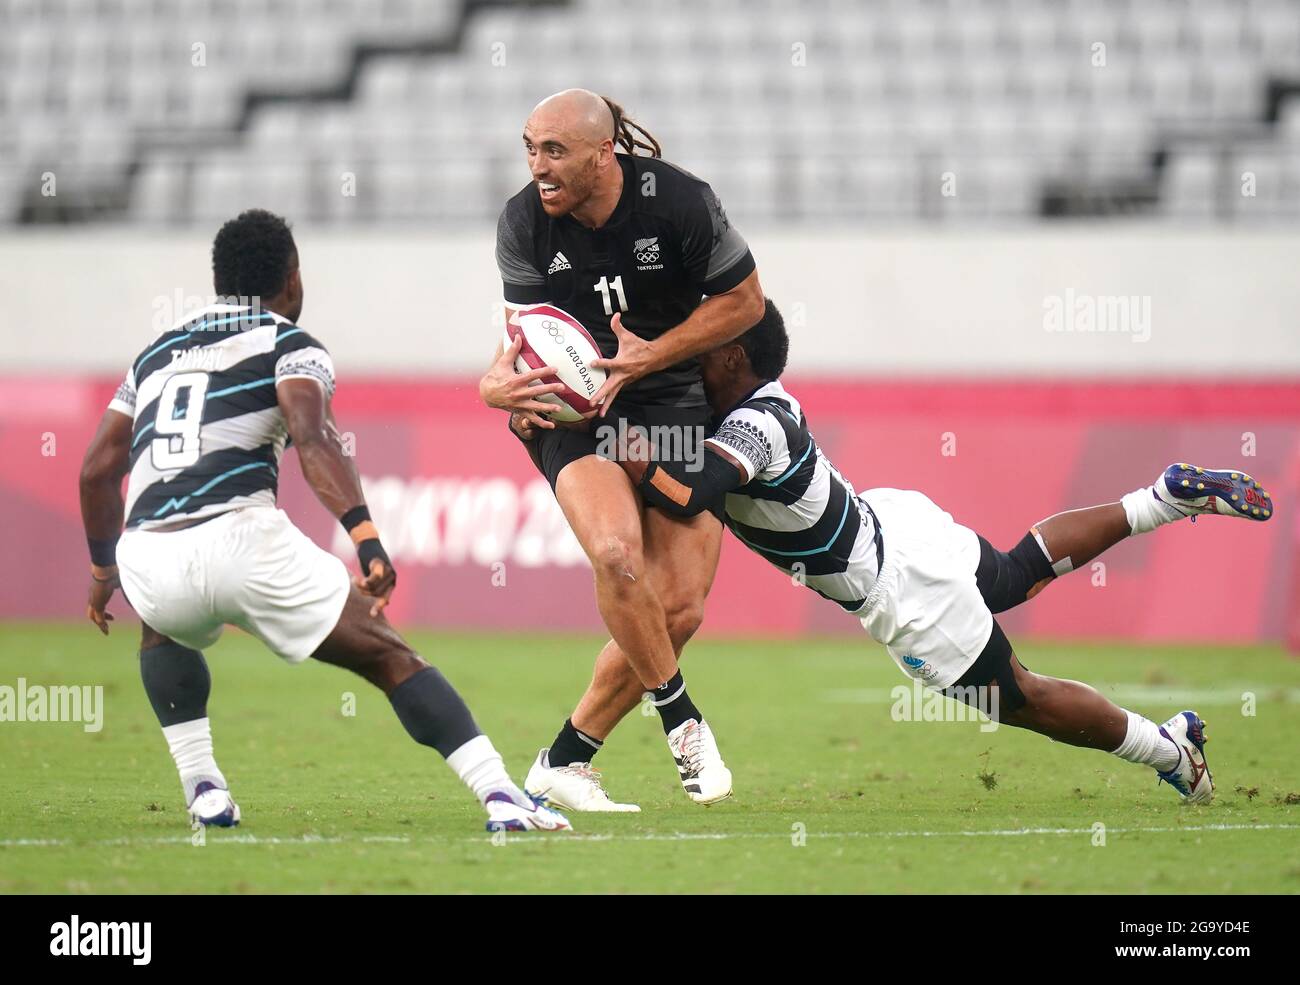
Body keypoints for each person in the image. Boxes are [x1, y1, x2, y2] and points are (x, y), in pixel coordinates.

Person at [576, 299, 1275, 804]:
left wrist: (617, 443)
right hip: (895, 525)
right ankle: (1161, 498)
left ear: (733, 355)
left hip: (900, 587)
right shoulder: (747, 400)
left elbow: (690, 492)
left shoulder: (758, 424)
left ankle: (1169, 751)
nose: (686, 355)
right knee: (1013, 575)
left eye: (699, 346)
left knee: (1022, 698)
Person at [79, 209, 569, 833]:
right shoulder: (288, 344)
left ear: (220, 280)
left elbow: (96, 471)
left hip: (147, 555)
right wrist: (365, 536)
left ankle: (202, 787)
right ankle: (500, 793)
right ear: (293, 278)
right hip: (239, 543)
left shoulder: (155, 354)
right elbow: (313, 439)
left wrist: (104, 573)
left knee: (162, 629)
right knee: (388, 655)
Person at [479, 89, 765, 810]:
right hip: (576, 411)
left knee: (679, 610)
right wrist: (499, 387)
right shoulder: (522, 222)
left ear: (604, 153)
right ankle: (682, 720)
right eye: (530, 148)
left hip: (672, 404)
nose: (537, 166)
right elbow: (526, 338)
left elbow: (745, 304)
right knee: (615, 553)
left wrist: (650, 358)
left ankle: (566, 760)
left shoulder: (680, 203)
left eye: (554, 151)